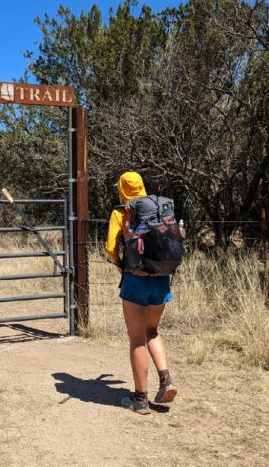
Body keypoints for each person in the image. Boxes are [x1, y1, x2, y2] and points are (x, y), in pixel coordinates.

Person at [105, 171, 177, 415]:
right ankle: (166, 380)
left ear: (122, 189)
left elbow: (110, 248)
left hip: (135, 281)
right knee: (152, 331)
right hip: (161, 278)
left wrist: (121, 266)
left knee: (137, 340)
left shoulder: (121, 212)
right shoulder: (159, 208)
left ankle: (140, 399)